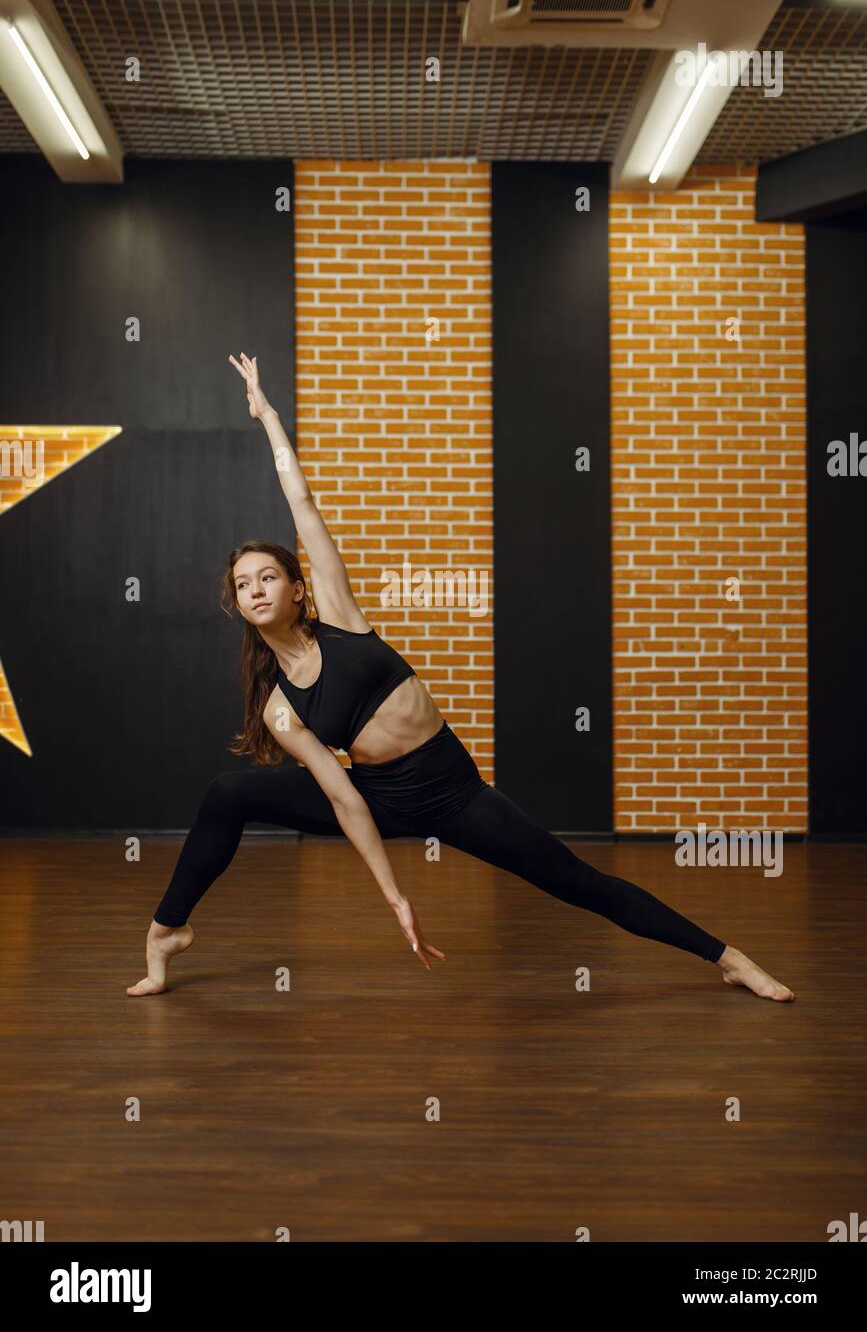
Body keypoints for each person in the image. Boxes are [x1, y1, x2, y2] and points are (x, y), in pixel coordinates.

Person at [128, 354, 794, 1003]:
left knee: (573, 880)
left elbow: (300, 500)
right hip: (381, 798)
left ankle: (727, 958)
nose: (254, 588)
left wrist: (268, 414)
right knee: (227, 794)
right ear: (238, 605)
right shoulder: (280, 709)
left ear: (298, 589)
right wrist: (395, 898)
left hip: (453, 792)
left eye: (267, 575)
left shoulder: (338, 612)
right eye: (242, 584)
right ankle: (165, 932)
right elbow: (344, 801)